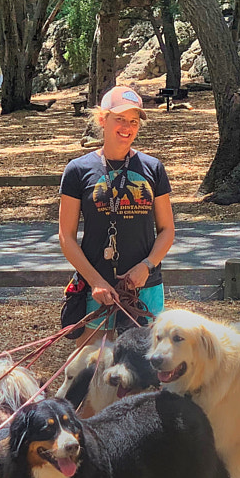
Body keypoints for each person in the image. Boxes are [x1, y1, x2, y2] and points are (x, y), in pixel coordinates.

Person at [58, 86, 175, 347]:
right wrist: (95, 281)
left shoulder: (153, 168)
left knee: (141, 373)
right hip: (96, 289)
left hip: (145, 289)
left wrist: (147, 266)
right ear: (103, 119)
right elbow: (66, 237)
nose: (127, 127)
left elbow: (167, 230)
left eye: (133, 121)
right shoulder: (77, 170)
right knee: (91, 372)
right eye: (119, 119)